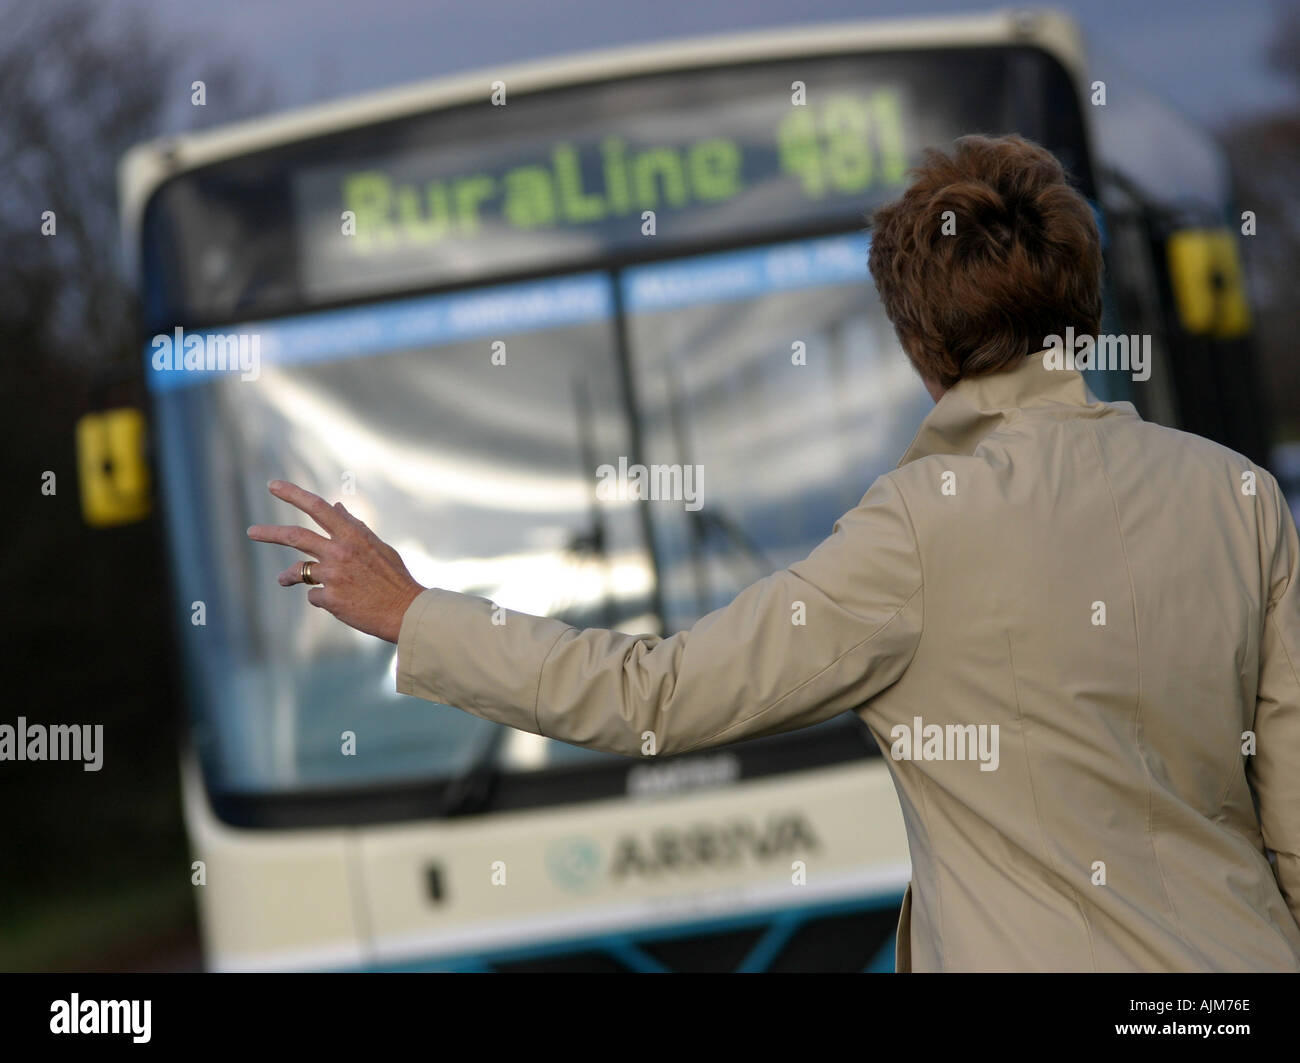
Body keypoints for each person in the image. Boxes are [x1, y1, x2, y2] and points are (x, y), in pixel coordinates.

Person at [248, 134, 1300, 972]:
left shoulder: (919, 529)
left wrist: (413, 613)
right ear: (1082, 297)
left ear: (915, 340)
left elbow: (655, 697)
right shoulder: (1241, 497)